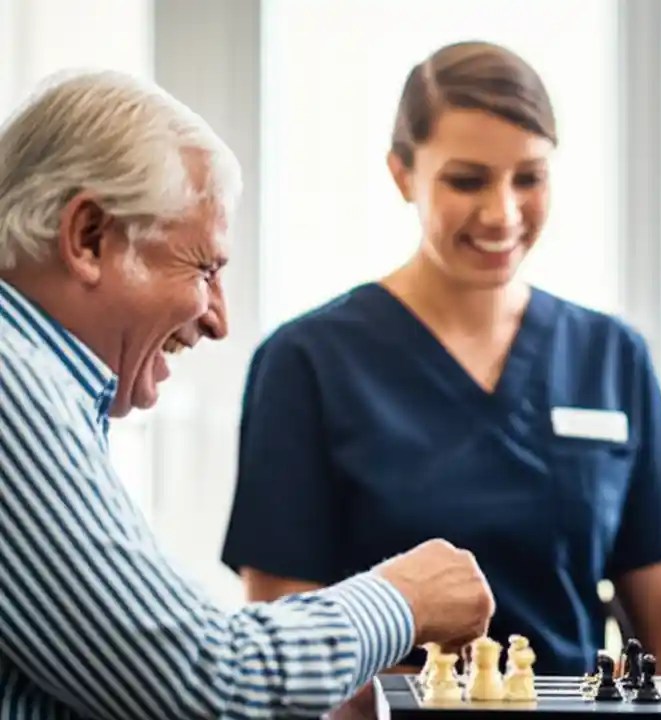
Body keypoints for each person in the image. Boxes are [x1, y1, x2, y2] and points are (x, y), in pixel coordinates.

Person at [0, 70, 495, 720]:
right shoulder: (14, 385)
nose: (218, 320)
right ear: (88, 237)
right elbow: (205, 680)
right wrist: (404, 598)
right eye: (203, 268)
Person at [220, 40, 661, 677]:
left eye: (529, 178)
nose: (502, 212)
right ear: (402, 174)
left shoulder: (609, 356)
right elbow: (285, 610)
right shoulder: (308, 362)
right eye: (466, 179)